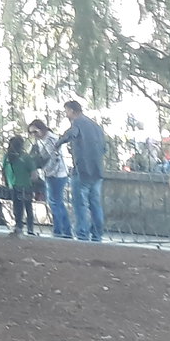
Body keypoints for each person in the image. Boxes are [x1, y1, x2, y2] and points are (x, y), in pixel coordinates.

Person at [58, 99, 108, 242]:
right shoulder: (96, 126)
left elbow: (70, 134)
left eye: (66, 111)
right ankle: (98, 234)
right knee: (95, 204)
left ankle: (82, 233)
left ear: (73, 111)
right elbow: (105, 148)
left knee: (80, 204)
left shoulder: (77, 123)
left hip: (82, 171)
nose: (66, 114)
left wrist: (58, 143)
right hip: (97, 171)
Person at [30, 118, 71, 238]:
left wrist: (48, 171)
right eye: (31, 133)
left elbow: (55, 158)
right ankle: (65, 230)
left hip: (57, 174)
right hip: (50, 173)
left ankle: (59, 230)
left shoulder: (51, 139)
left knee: (55, 203)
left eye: (35, 132)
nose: (33, 135)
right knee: (56, 202)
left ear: (41, 129)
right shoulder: (41, 140)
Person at [0, 133, 40, 236]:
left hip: (13, 186)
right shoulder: (26, 157)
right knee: (28, 207)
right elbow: (34, 174)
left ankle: (18, 227)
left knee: (17, 208)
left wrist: (7, 182)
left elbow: (3, 173)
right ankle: (30, 229)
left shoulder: (7, 157)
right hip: (25, 186)